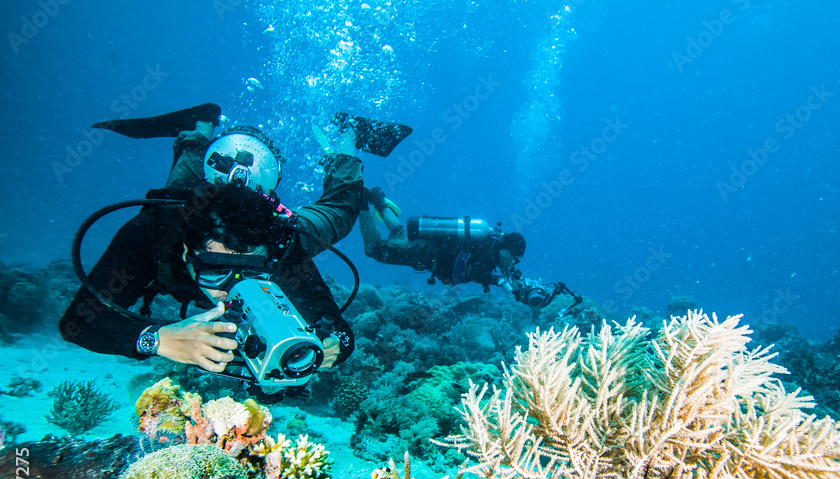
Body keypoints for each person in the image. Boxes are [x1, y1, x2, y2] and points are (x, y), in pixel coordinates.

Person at [61, 104, 411, 374]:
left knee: (342, 209)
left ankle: (348, 135)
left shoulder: (283, 243)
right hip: (182, 212)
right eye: (217, 271)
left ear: (268, 254)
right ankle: (201, 125)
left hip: (277, 226)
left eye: (253, 271)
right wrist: (155, 338)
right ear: (187, 252)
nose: (234, 289)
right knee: (181, 182)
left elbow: (338, 328)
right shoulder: (154, 233)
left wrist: (333, 344)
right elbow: (78, 323)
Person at [359, 188, 528, 295]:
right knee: (374, 249)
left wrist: (513, 278)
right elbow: (479, 272)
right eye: (514, 259)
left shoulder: (491, 246)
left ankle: (379, 200)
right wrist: (500, 282)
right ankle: (361, 200)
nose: (513, 263)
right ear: (507, 252)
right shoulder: (487, 252)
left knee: (399, 235)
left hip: (426, 249)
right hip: (423, 253)